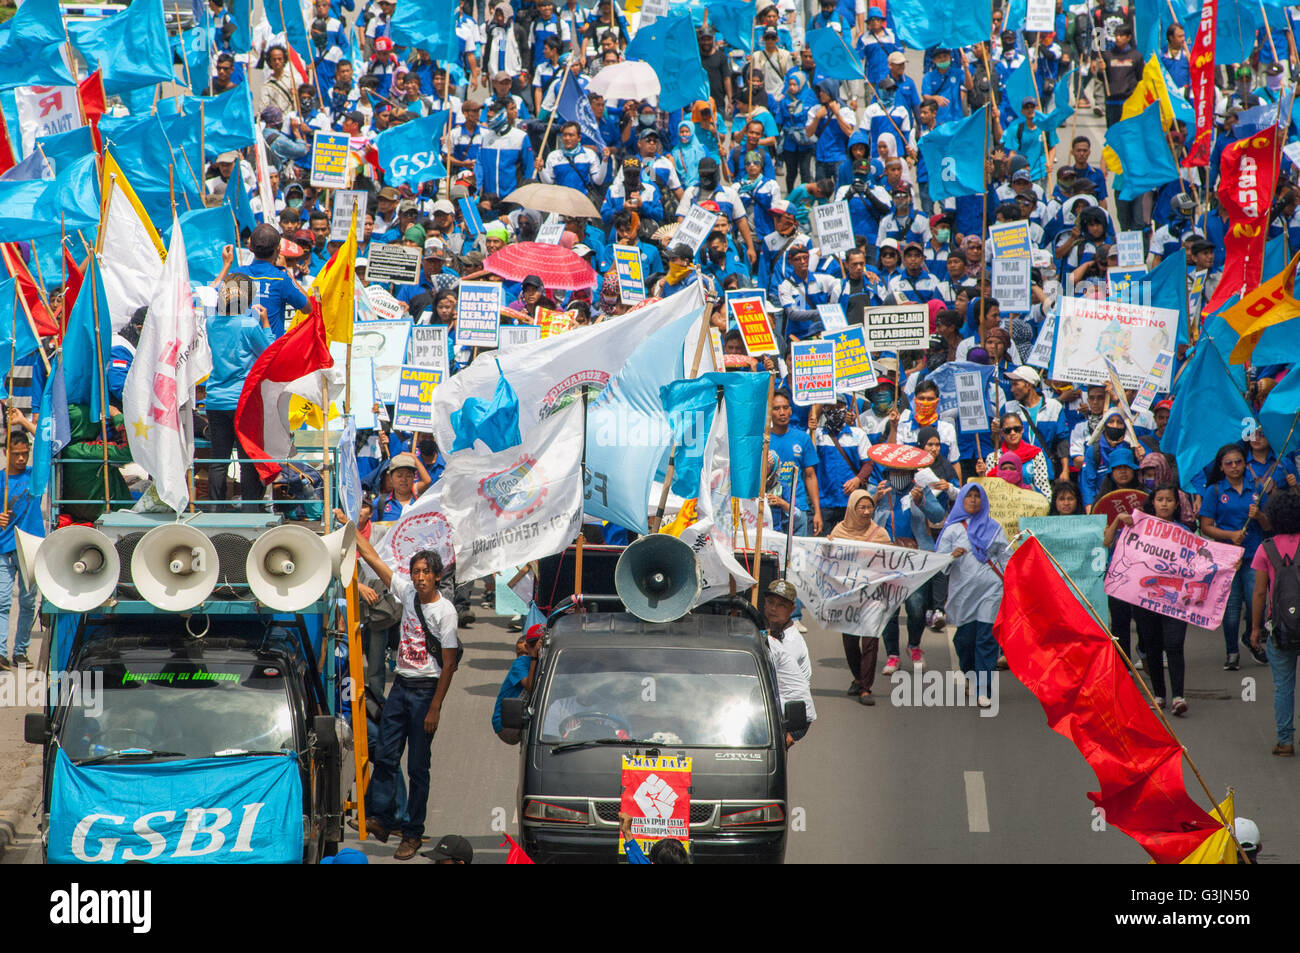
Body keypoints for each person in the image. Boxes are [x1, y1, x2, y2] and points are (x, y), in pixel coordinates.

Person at [354, 534, 460, 861]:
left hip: (426, 693)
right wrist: (350, 529)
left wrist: (435, 708)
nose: (420, 577)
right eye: (415, 571)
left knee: (417, 768)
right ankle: (384, 819)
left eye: (426, 572)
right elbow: (373, 558)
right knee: (385, 754)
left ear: (437, 576)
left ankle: (412, 833)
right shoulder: (407, 592)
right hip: (400, 688)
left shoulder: (446, 612)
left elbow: (450, 663)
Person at [935, 484, 1008, 708]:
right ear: (962, 500)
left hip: (990, 590)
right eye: (970, 496)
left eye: (978, 496)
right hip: (963, 593)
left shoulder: (994, 527)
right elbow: (939, 562)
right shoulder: (952, 530)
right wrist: (951, 555)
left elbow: (1005, 556)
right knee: (964, 640)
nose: (974, 500)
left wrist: (1012, 583)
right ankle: (969, 674)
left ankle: (983, 689)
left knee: (986, 639)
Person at [1200, 443, 1269, 671]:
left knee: (1255, 602)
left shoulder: (1257, 488)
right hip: (1228, 557)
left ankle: (1252, 637)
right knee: (1230, 609)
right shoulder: (1215, 491)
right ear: (1221, 466)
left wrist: (1258, 515)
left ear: (1244, 463)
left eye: (1238, 462)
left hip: (1254, 555)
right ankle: (1232, 651)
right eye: (1228, 463)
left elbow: (1270, 524)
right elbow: (1206, 526)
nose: (1234, 467)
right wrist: (1229, 534)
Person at [829, 489, 893, 706]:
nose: (867, 512)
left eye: (870, 507)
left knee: (870, 640)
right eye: (862, 507)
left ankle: (866, 687)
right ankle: (857, 676)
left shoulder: (881, 534)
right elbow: (830, 563)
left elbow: (891, 563)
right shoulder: (839, 531)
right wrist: (829, 547)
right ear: (852, 509)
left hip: (873, 596)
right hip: (847, 596)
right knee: (849, 640)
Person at [1250, 488, 1300, 757]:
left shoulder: (1266, 548)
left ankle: (1285, 741)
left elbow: (1259, 592)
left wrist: (1256, 628)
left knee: (1284, 686)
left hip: (1280, 627)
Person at [1134, 484, 1192, 716]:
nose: (1165, 504)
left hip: (1175, 599)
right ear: (1153, 503)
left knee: (1175, 645)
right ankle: (1158, 694)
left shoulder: (1185, 533)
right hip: (1146, 598)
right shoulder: (1140, 529)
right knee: (1152, 645)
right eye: (1160, 500)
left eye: (1169, 500)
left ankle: (1178, 695)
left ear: (1176, 504)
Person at [0, 427, 41, 670]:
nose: (21, 458)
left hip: (31, 548)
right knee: (3, 603)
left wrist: (23, 421)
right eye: (16, 454)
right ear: (6, 453)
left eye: (25, 453)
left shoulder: (36, 476)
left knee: (28, 603)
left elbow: (54, 448)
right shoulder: (0, 479)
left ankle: (20, 652)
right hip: (4, 549)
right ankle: (1, 653)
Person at [762, 579, 816, 745]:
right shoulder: (771, 630)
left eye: (781, 605)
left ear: (792, 609)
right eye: (770, 602)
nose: (773, 608)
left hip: (792, 716)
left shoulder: (790, 643)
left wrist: (790, 737)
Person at [235, 223, 310, 338]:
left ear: (250, 247)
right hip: (269, 352)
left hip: (240, 352)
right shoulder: (281, 278)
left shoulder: (235, 275)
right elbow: (307, 307)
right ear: (279, 249)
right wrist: (286, 271)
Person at [493, 625, 541, 744]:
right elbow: (531, 687)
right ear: (528, 647)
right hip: (506, 723)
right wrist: (534, 657)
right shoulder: (520, 663)